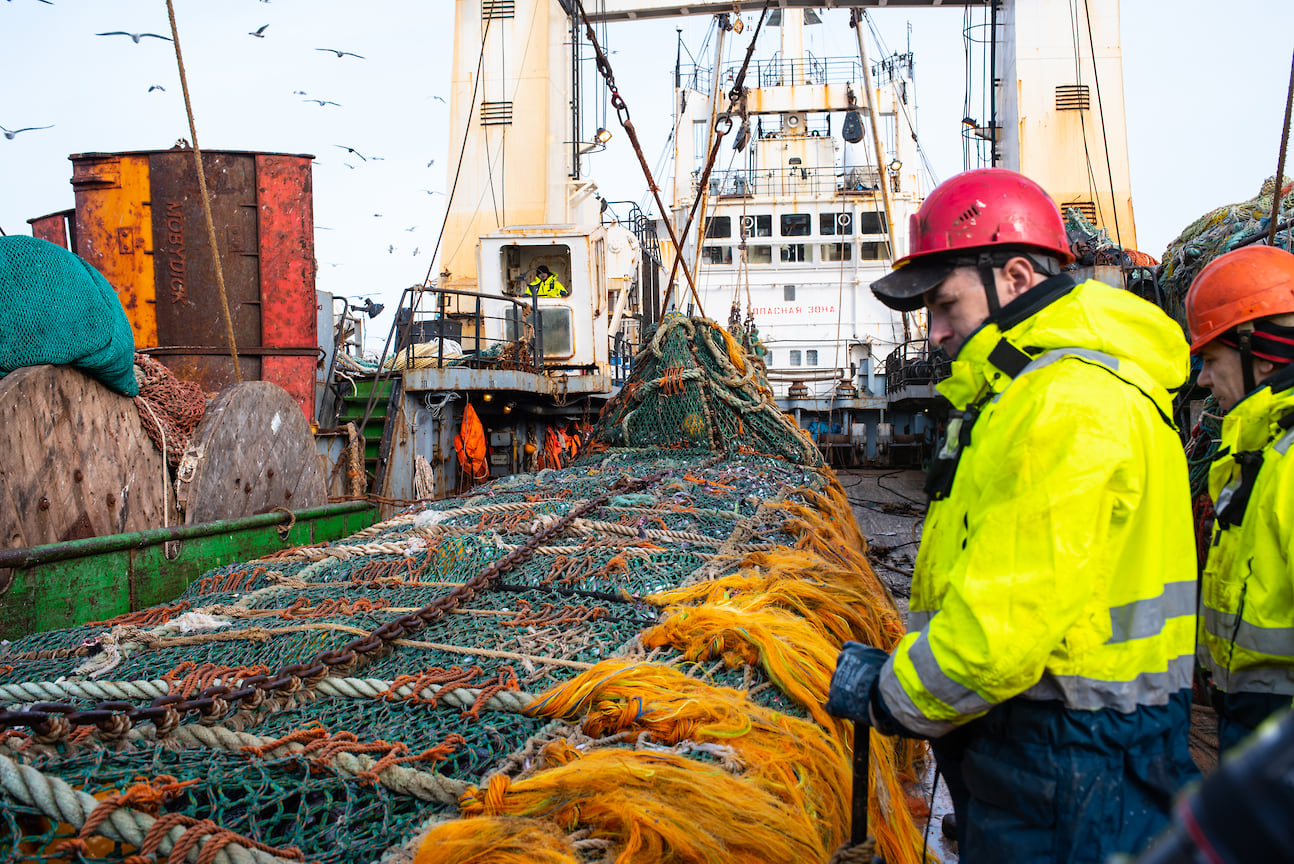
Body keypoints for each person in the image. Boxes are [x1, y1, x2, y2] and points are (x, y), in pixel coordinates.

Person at [825, 168, 1198, 863]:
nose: (934, 334)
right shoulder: (1031, 394)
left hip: (1069, 758)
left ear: (1018, 277)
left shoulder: (1065, 407)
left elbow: (1000, 629)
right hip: (1072, 744)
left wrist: (889, 696)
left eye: (946, 306)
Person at [1184, 245, 1294, 756]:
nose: (1204, 379)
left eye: (1210, 360)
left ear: (1264, 353)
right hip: (1253, 723)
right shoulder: (1257, 449)